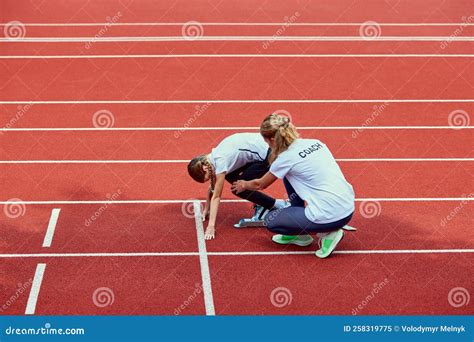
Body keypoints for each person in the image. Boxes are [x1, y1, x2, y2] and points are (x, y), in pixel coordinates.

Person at [231, 114, 355, 258]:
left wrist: (243, 184)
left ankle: (327, 234)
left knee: (271, 221)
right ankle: (302, 232)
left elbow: (260, 184)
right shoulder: (316, 143)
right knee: (287, 176)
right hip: (348, 208)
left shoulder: (285, 158)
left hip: (330, 216)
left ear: (272, 139)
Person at [187, 132, 287, 240]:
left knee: (239, 189)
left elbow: (216, 196)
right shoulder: (210, 159)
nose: (208, 180)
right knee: (231, 178)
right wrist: (207, 209)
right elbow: (213, 185)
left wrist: (211, 226)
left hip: (270, 154)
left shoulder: (220, 161)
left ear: (205, 169)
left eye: (206, 177)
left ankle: (277, 205)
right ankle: (264, 204)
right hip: (262, 147)